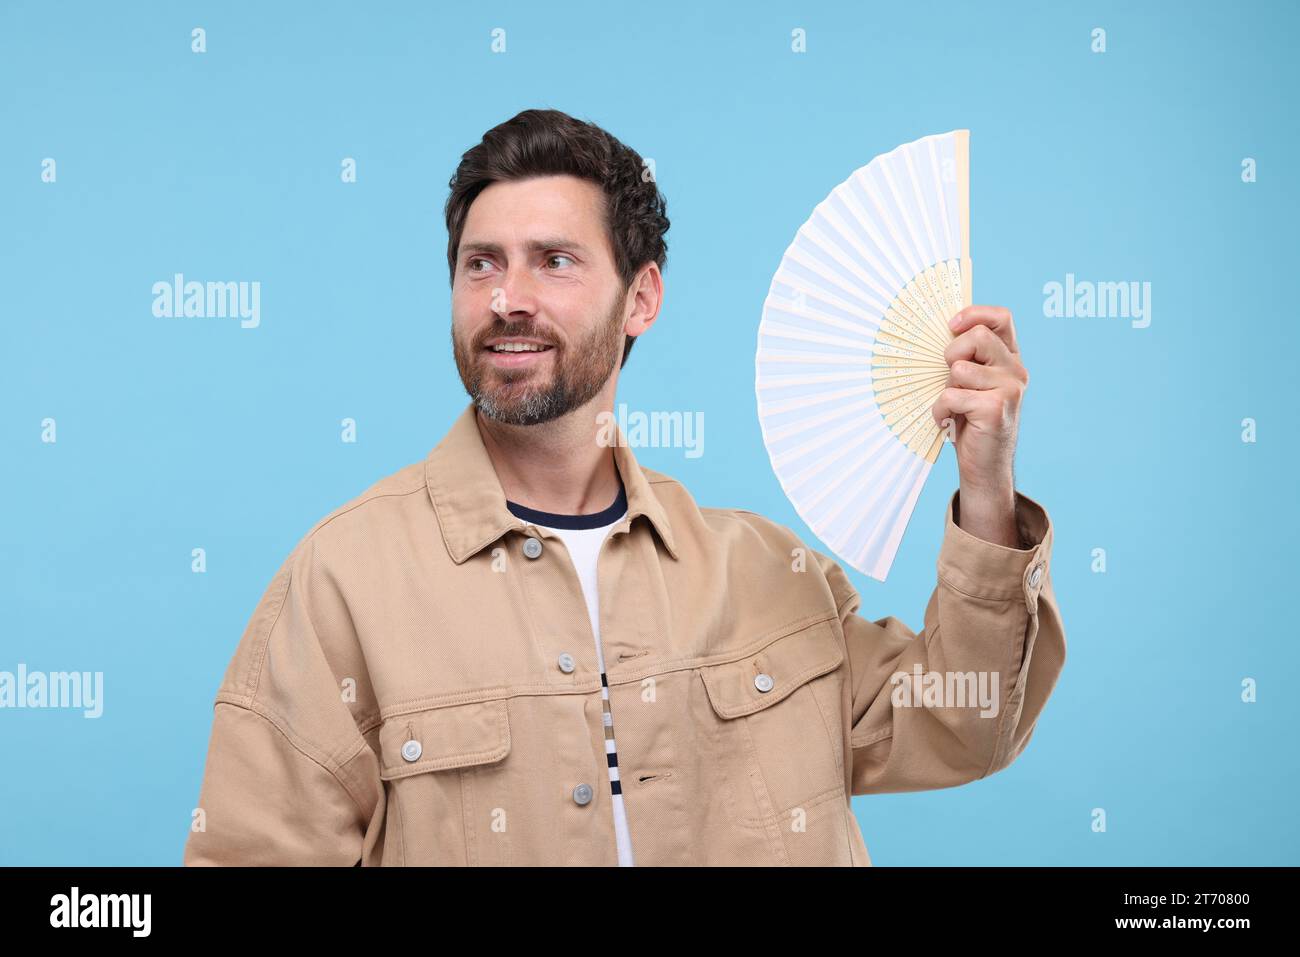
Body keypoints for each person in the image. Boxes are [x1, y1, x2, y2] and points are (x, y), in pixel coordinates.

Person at [183, 108, 1065, 867]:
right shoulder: (345, 581)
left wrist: (986, 487)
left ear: (642, 298)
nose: (506, 299)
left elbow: (967, 725)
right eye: (481, 264)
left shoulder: (767, 573)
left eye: (554, 260)